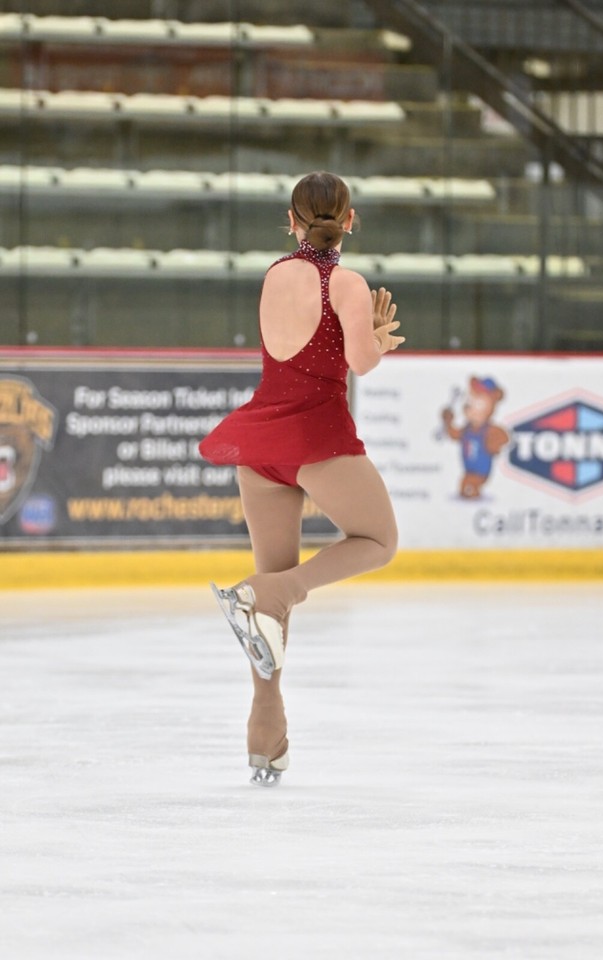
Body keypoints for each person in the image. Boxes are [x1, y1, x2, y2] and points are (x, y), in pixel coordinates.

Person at [199, 171, 405, 786]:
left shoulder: (273, 274)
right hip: (316, 436)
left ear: (289, 222)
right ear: (351, 221)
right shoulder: (346, 282)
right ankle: (285, 591)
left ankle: (266, 730)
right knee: (379, 541)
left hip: (261, 442)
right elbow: (360, 364)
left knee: (266, 588)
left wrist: (364, 332)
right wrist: (377, 337)